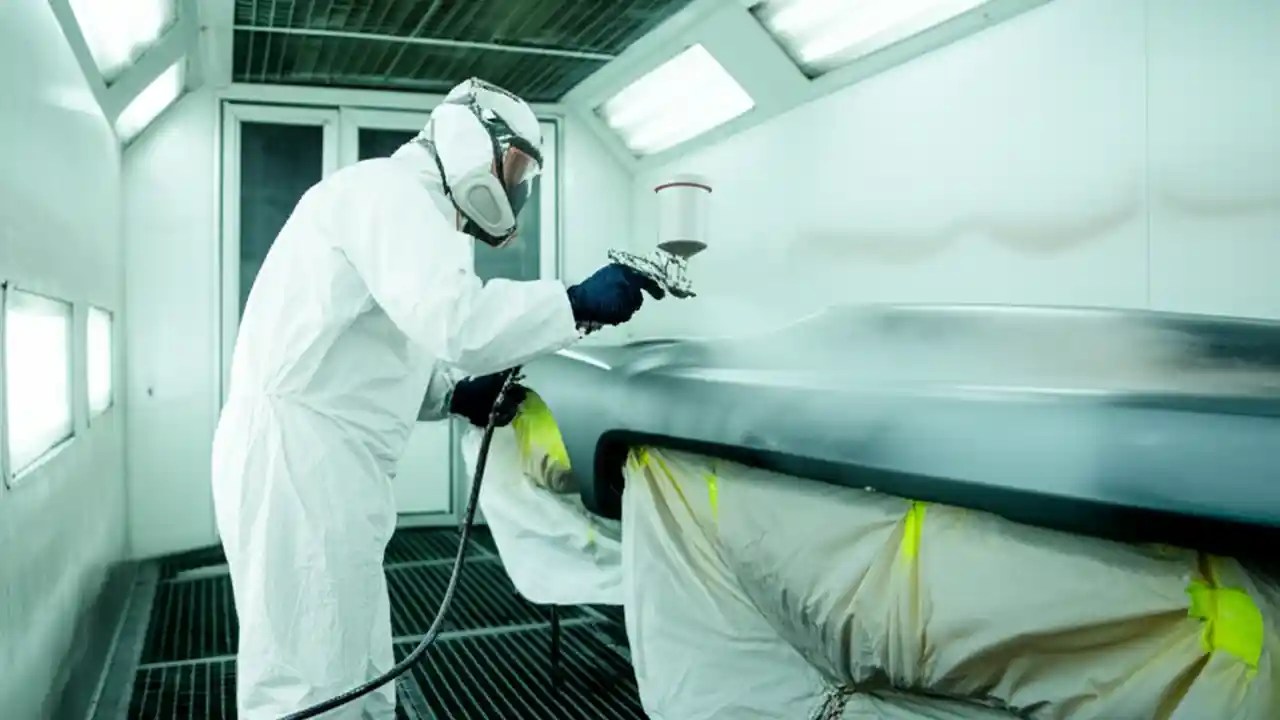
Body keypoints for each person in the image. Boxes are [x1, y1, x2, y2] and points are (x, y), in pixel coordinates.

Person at [210, 77, 662, 719]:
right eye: (514, 169)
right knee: (307, 676)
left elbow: (393, 349)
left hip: (330, 464)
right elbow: (454, 322)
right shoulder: (388, 192)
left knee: (353, 665)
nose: (514, 190)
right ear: (472, 138)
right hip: (297, 456)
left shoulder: (422, 220)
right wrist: (573, 300)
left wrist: (455, 395)